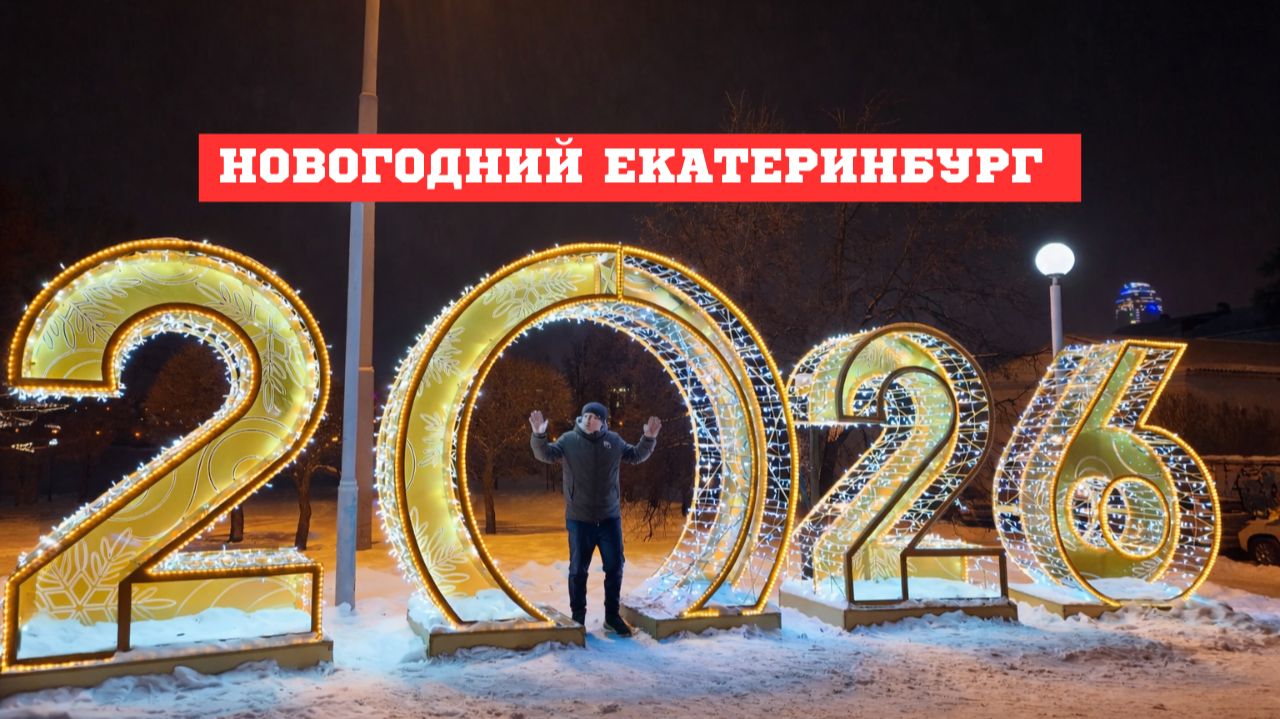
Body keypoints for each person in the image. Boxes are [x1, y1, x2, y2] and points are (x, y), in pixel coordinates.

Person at [529, 401, 660, 636]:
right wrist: (539, 435)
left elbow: (635, 455)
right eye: (586, 415)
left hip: (609, 518)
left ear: (603, 421)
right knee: (578, 571)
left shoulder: (614, 441)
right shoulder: (569, 440)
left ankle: (612, 617)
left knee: (615, 567)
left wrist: (648, 438)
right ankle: (578, 618)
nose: (589, 419)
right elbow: (546, 454)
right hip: (580, 519)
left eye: (595, 416)